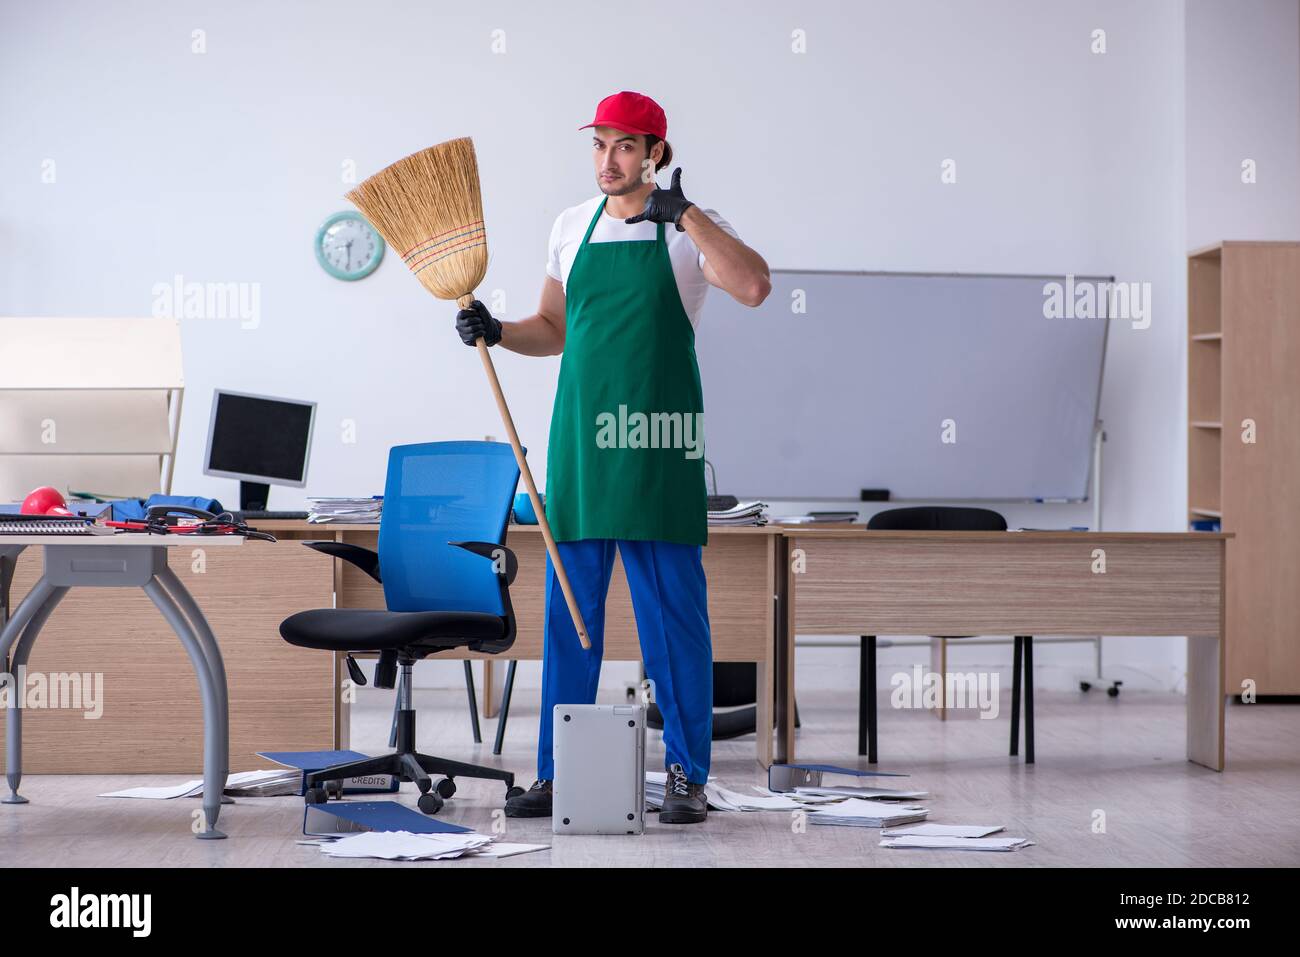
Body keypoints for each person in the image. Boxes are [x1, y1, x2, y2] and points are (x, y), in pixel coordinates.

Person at [455, 91, 770, 824]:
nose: (608, 159)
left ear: (656, 152)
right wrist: (497, 330)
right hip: (582, 447)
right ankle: (556, 774)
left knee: (674, 621)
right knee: (570, 619)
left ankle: (687, 776)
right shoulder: (572, 225)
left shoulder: (691, 229)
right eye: (599, 144)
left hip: (659, 444)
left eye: (625, 145)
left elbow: (755, 287)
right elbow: (554, 327)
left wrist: (685, 214)